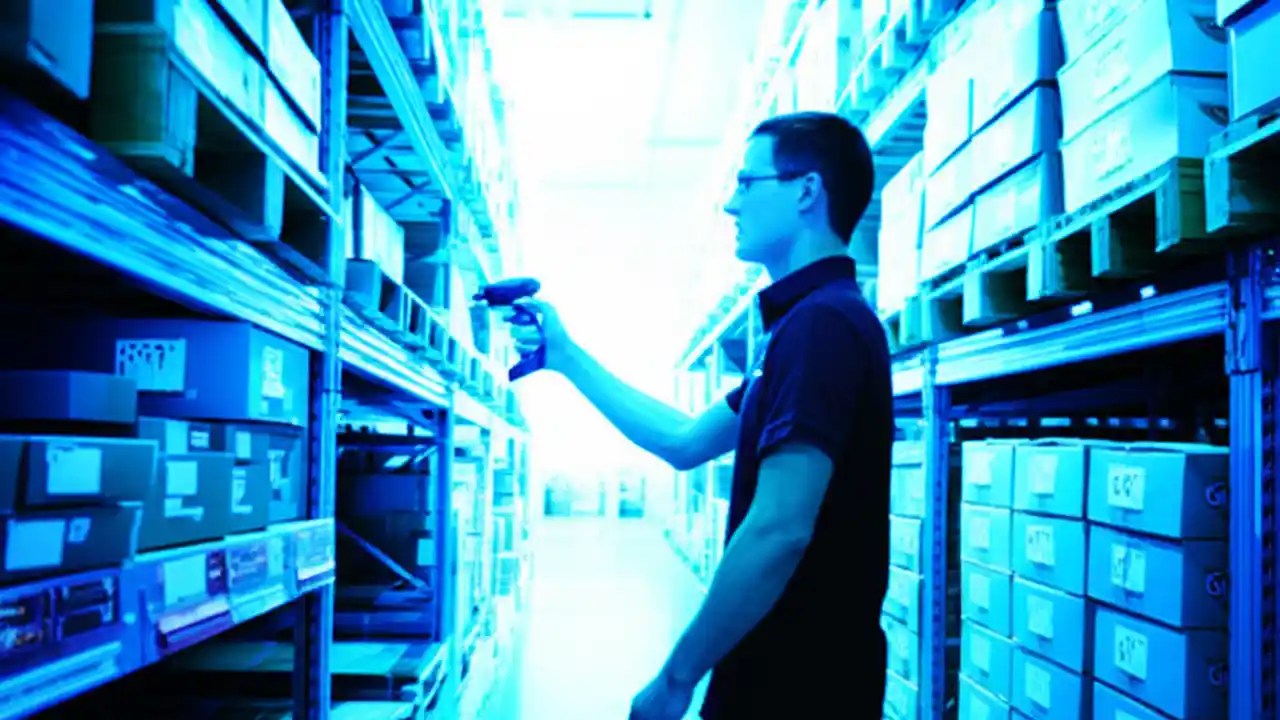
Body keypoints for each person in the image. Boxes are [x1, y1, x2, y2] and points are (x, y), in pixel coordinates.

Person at [502, 111, 893, 719]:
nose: (731, 207)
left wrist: (677, 677)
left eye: (746, 184)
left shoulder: (823, 327)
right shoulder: (802, 328)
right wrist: (566, 357)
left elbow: (778, 529)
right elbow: (684, 441)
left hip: (802, 683)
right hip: (778, 668)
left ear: (806, 190)